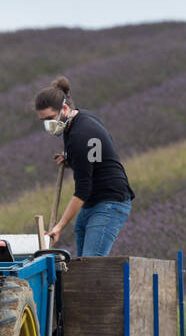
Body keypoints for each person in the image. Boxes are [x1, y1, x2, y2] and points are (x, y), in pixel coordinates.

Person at [36, 76, 135, 257]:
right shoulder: (77, 121)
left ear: (64, 108)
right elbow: (93, 158)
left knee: (90, 265)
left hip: (109, 203)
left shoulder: (81, 135)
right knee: (80, 266)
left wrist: (58, 227)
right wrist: (70, 159)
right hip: (92, 203)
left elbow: (82, 190)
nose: (47, 125)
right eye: (43, 120)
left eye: (50, 118)